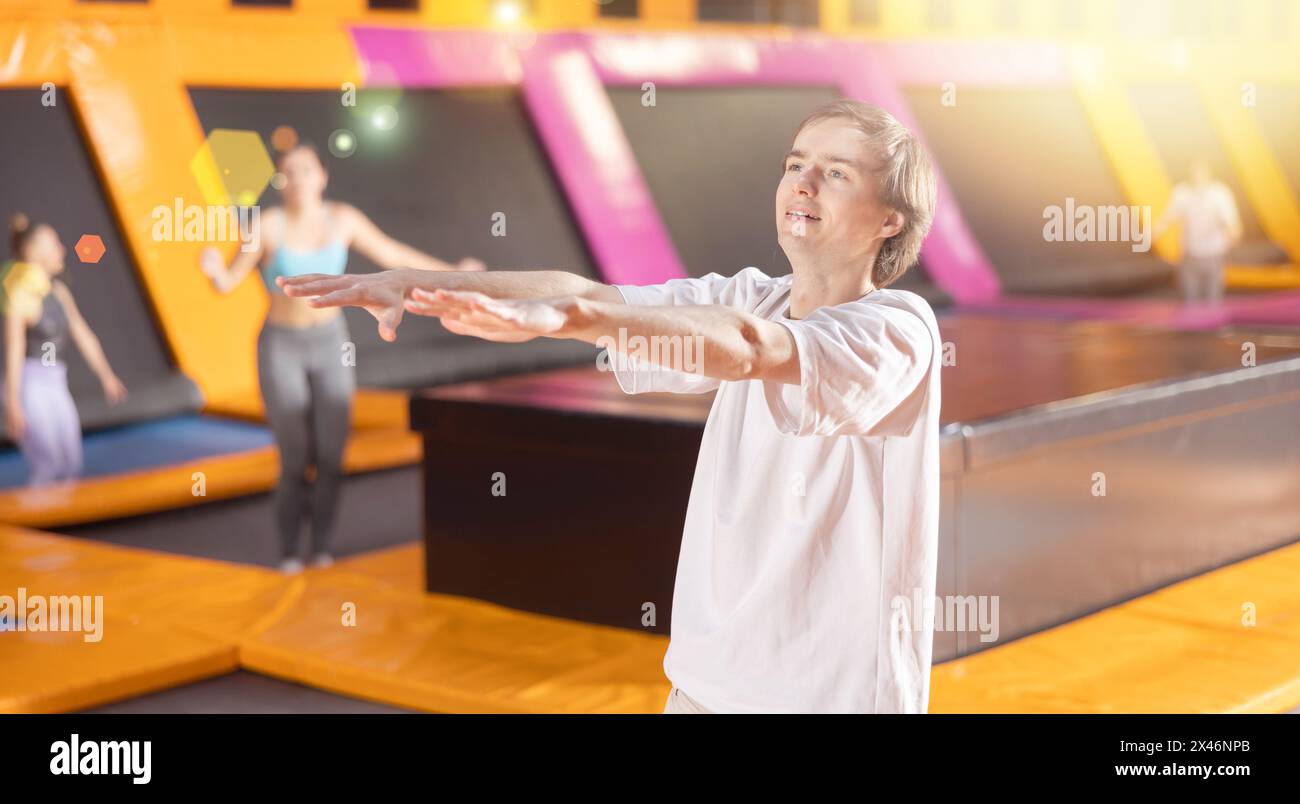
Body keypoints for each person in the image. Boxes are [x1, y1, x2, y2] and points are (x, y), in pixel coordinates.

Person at [279, 100, 943, 714]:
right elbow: (591, 290)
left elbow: (750, 351)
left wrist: (568, 318)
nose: (802, 183)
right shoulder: (753, 294)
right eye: (795, 164)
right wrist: (416, 282)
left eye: (835, 173)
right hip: (710, 683)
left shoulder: (899, 326)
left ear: (890, 220)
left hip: (833, 695)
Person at [200, 142, 484, 574]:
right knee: (296, 458)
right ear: (282, 183)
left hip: (331, 342)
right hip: (282, 345)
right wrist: (212, 272)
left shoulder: (343, 219)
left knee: (332, 455)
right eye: (288, 173)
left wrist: (454, 273)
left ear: (322, 177)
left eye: (305, 170)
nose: (297, 179)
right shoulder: (267, 225)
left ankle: (322, 549)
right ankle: (290, 552)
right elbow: (228, 281)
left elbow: (393, 257)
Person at [3, 213, 128, 485]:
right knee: (50, 464)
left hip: (54, 382)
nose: (62, 249)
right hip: (30, 384)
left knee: (71, 464)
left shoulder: (59, 292)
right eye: (54, 243)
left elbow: (84, 335)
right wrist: (13, 401)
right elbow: (13, 350)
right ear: (32, 251)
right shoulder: (20, 295)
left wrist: (106, 375)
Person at [1152, 158, 1242, 306]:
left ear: (1209, 174)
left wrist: (1233, 234)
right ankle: (1191, 328)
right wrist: (1154, 232)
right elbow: (1168, 217)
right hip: (1189, 256)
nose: (1197, 176)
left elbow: (1231, 222)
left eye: (1201, 173)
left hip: (1213, 255)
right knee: (1189, 301)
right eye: (1194, 173)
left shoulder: (1219, 194)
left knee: (1212, 301)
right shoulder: (1182, 193)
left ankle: (1213, 327)